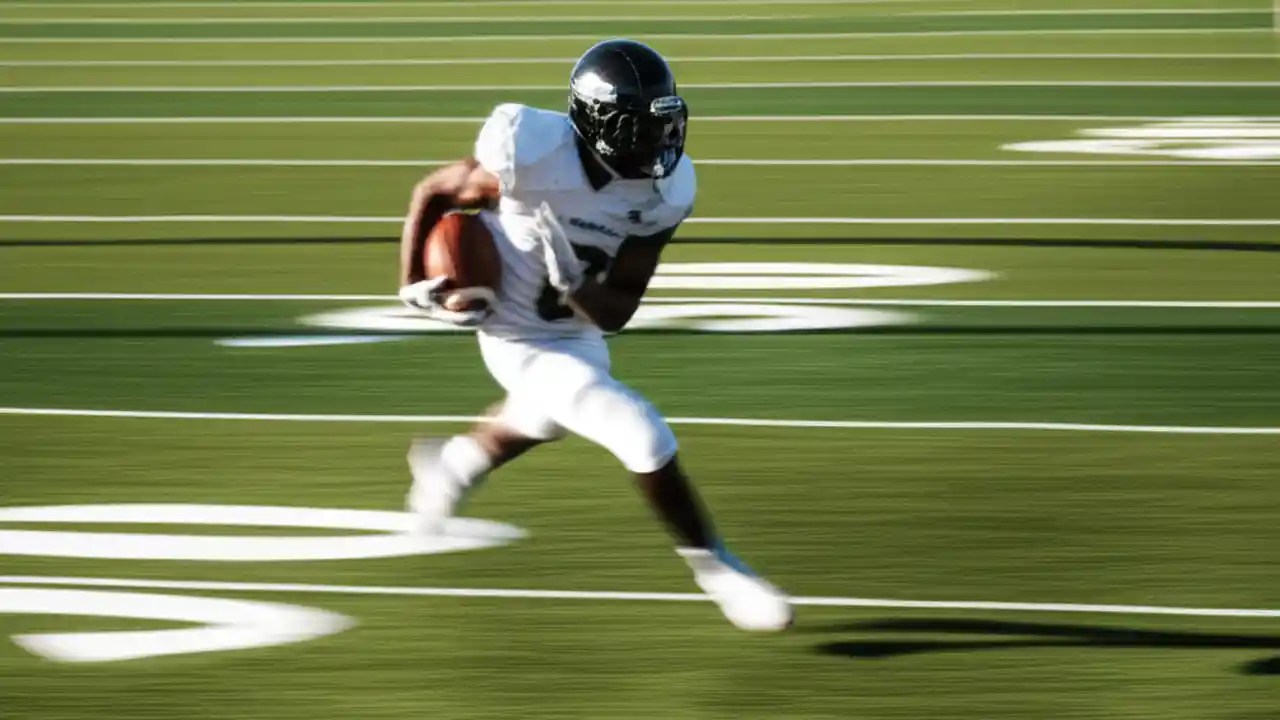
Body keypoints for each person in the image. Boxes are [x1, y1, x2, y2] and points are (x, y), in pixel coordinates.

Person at [396, 39, 792, 632]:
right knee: (639, 430)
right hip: (511, 330)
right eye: (640, 126)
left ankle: (451, 465)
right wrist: (410, 283)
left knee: (542, 417)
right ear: (597, 123)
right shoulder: (529, 150)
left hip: (575, 327)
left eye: (664, 121)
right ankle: (718, 568)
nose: (659, 139)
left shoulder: (665, 191)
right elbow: (435, 192)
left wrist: (576, 283)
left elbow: (617, 310)